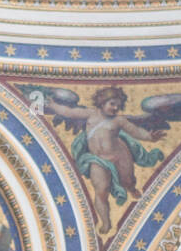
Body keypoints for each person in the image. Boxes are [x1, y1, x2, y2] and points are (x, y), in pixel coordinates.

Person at [52, 86, 165, 235]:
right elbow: (68, 112)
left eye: (118, 105)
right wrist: (50, 104)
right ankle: (105, 222)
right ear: (102, 102)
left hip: (119, 157)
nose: (115, 108)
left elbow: (135, 131)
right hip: (97, 160)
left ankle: (131, 188)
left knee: (128, 180)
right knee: (101, 191)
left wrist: (150, 137)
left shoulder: (119, 120)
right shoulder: (91, 114)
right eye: (112, 103)